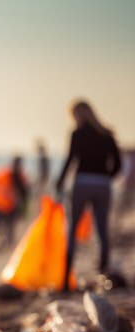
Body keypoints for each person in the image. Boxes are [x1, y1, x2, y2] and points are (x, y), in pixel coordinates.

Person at [56, 100, 121, 291]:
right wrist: (106, 177)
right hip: (103, 185)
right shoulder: (107, 135)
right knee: (102, 230)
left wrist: (59, 182)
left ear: (78, 115)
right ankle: (104, 275)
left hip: (82, 182)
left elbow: (70, 160)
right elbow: (117, 164)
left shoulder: (77, 134)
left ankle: (66, 280)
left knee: (73, 229)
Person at [0, 156, 29, 248]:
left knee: (7, 227)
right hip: (0, 205)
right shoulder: (5, 174)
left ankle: (5, 243)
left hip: (7, 206)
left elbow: (24, 193)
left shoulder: (17, 176)